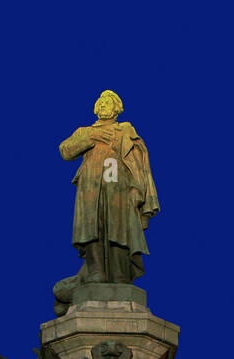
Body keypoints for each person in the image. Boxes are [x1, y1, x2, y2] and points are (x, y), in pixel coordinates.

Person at [52, 90, 159, 313]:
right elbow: (65, 150)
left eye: (108, 102)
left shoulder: (126, 130)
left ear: (117, 109)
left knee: (119, 229)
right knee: (92, 228)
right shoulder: (86, 131)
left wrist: (139, 189)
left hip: (120, 188)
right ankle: (95, 272)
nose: (103, 105)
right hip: (90, 187)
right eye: (100, 101)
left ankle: (120, 274)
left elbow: (139, 161)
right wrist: (91, 138)